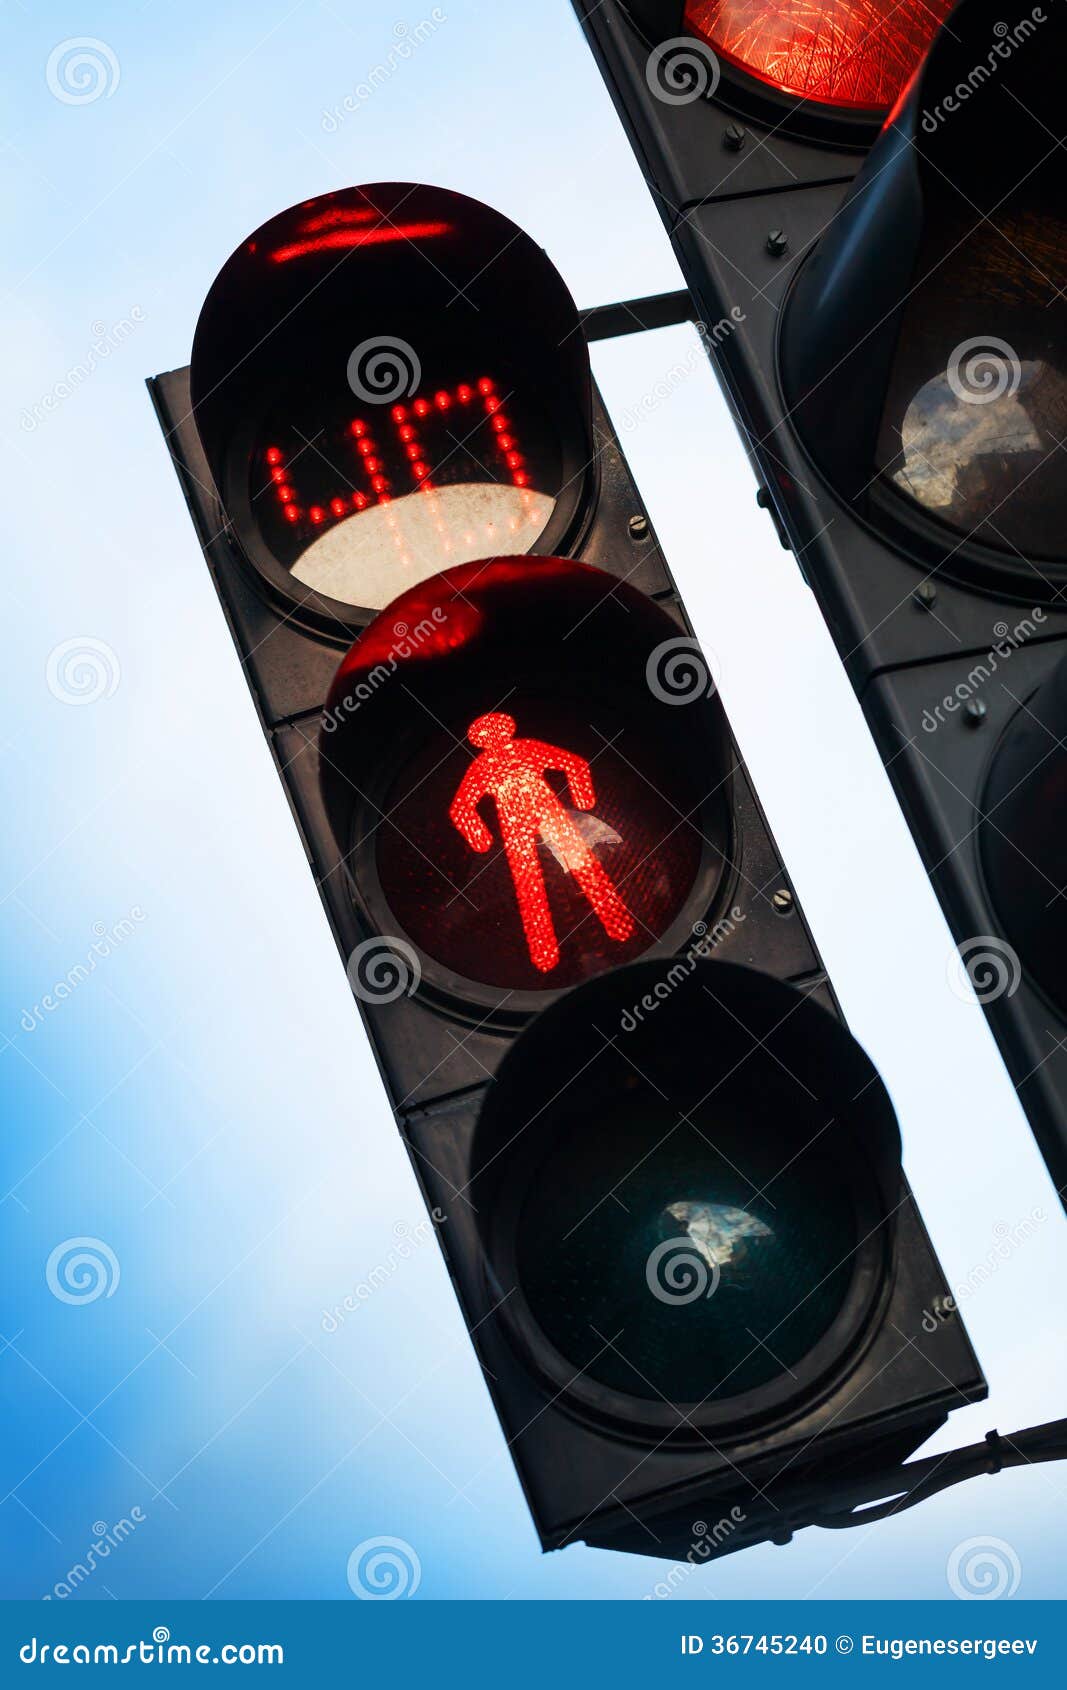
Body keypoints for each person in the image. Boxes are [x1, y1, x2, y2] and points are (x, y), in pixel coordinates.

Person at [449, 710, 634, 973]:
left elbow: (573, 763)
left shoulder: (510, 755)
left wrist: (481, 839)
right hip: (520, 822)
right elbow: (461, 807)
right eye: (488, 736)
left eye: (497, 732)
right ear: (481, 740)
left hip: (544, 813)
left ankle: (616, 926)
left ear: (506, 730)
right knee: (531, 887)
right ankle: (547, 954)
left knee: (581, 870)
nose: (495, 740)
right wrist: (480, 838)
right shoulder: (487, 765)